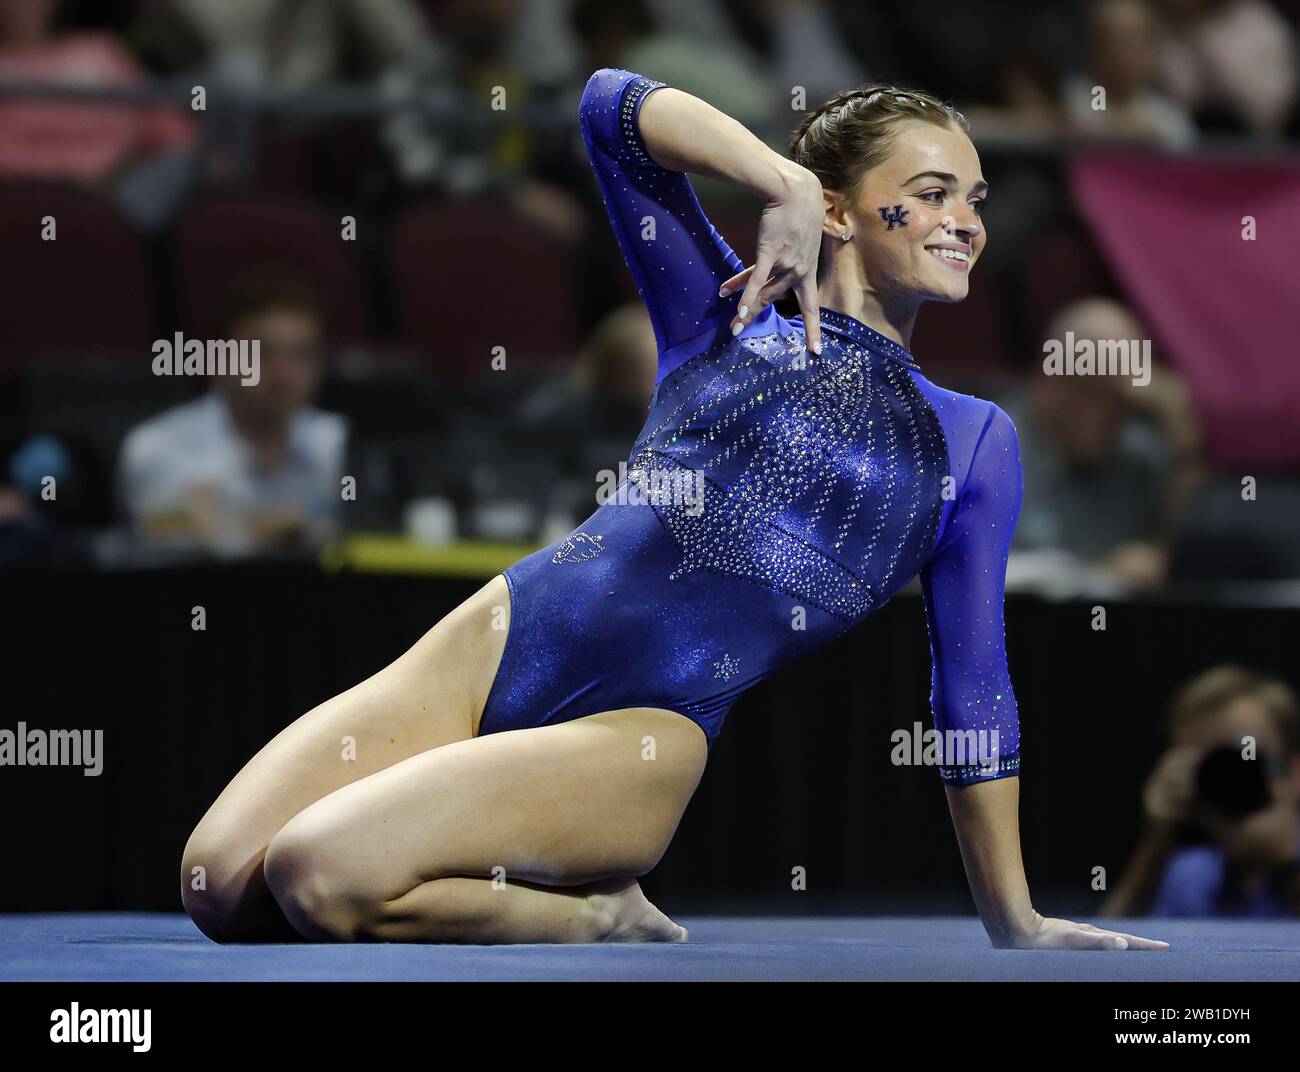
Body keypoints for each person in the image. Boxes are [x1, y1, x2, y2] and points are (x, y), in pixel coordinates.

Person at [182, 67, 1167, 950]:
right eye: (931, 194)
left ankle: (596, 910)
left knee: (319, 873)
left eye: (975, 199)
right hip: (498, 634)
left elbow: (972, 689)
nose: (967, 222)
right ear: (838, 210)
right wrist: (773, 181)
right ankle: (514, 866)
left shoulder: (972, 442)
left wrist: (1016, 921)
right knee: (218, 883)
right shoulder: (724, 314)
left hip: (645, 734)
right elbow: (610, 106)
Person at [117, 275, 346, 557]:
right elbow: (176, 542)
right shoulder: (157, 447)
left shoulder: (337, 442)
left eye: (301, 355)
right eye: (262, 353)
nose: (283, 374)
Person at [1102, 666, 1300, 918]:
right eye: (1208, 768)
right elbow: (1111, 950)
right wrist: (1154, 846)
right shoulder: (1190, 877)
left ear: (1294, 772)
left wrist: (1289, 866)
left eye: (1243, 760)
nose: (1228, 780)